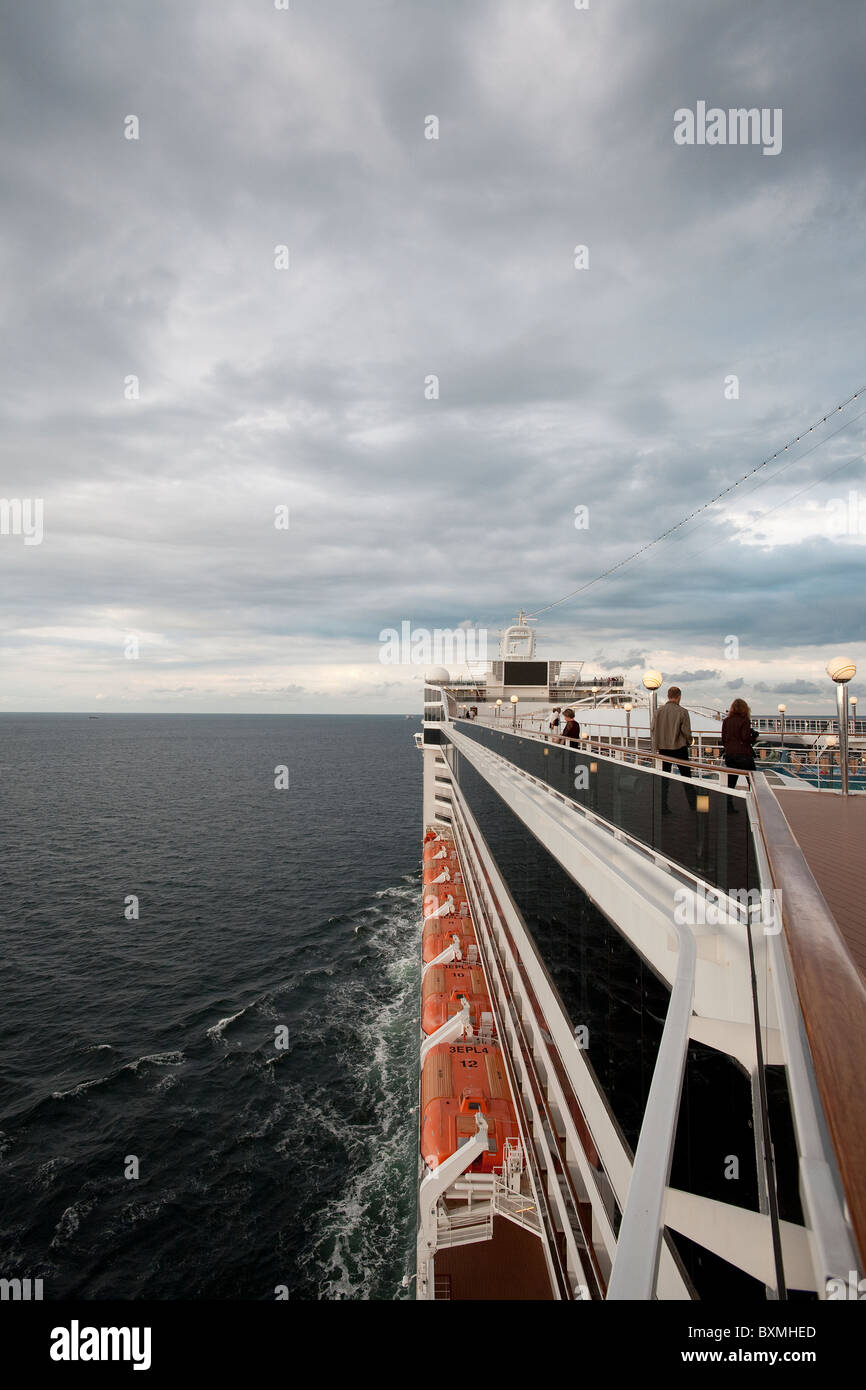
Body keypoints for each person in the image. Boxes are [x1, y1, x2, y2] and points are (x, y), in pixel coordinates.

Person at [651, 686, 695, 812]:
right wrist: (689, 741)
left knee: (665, 778)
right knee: (686, 777)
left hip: (663, 748)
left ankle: (663, 805)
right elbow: (686, 731)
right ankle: (693, 804)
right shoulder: (682, 711)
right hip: (679, 747)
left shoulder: (658, 711)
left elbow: (653, 728)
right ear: (679, 696)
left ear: (668, 696)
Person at [721, 698, 759, 811]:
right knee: (752, 781)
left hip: (730, 754)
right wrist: (754, 736)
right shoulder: (744, 720)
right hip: (743, 755)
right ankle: (756, 806)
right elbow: (745, 738)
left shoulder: (727, 721)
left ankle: (728, 806)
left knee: (731, 782)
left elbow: (724, 739)